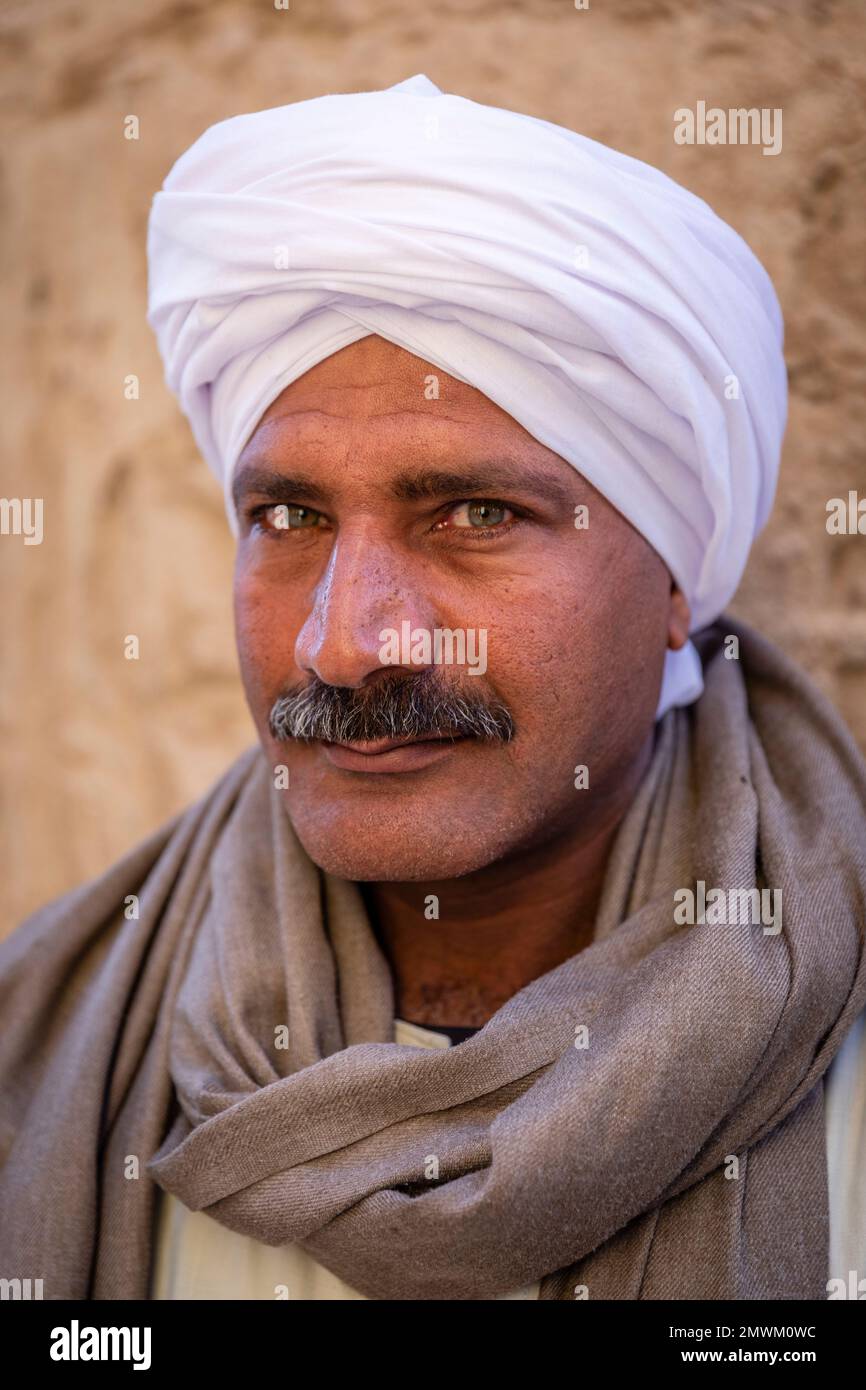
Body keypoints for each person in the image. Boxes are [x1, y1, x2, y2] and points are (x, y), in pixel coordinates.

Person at [1, 75, 864, 1303]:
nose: (344, 645)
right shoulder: (41, 1045)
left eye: (472, 513)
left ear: (674, 578)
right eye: (289, 515)